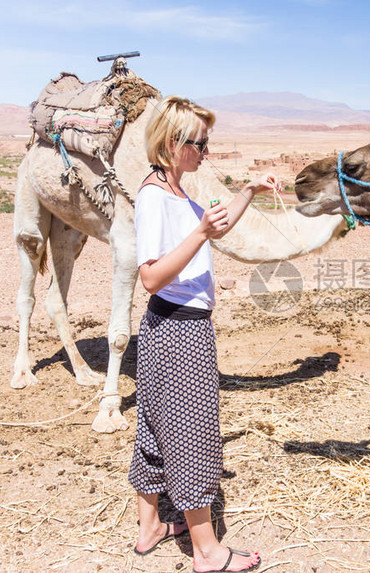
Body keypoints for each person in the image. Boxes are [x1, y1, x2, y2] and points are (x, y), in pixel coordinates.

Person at [129, 95, 277, 572]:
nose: (206, 152)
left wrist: (249, 190)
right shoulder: (154, 197)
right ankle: (208, 551)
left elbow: (218, 226)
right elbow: (150, 277)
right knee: (192, 436)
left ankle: (150, 527)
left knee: (157, 430)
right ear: (172, 143)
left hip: (172, 328)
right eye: (200, 143)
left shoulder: (175, 193)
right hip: (177, 329)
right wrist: (199, 234)